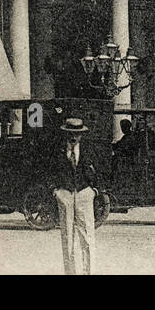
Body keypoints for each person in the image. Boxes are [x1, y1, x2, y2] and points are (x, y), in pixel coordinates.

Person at [51, 117, 97, 275]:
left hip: (84, 194)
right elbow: (47, 171)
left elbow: (101, 169)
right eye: (71, 133)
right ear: (66, 134)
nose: (74, 137)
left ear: (81, 135)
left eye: (77, 134)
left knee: (87, 237)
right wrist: (56, 191)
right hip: (65, 195)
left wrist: (94, 190)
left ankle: (88, 272)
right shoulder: (56, 151)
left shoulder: (89, 150)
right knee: (67, 238)